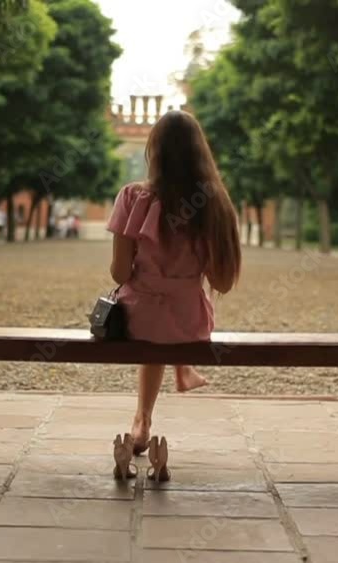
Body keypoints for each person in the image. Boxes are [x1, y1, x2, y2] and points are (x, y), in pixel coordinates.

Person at [107, 110, 241, 457]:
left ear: (156, 151)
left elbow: (120, 274)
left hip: (140, 318)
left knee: (153, 317)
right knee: (172, 316)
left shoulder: (133, 197)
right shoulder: (213, 204)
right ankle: (184, 370)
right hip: (190, 321)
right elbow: (221, 282)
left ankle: (142, 419)